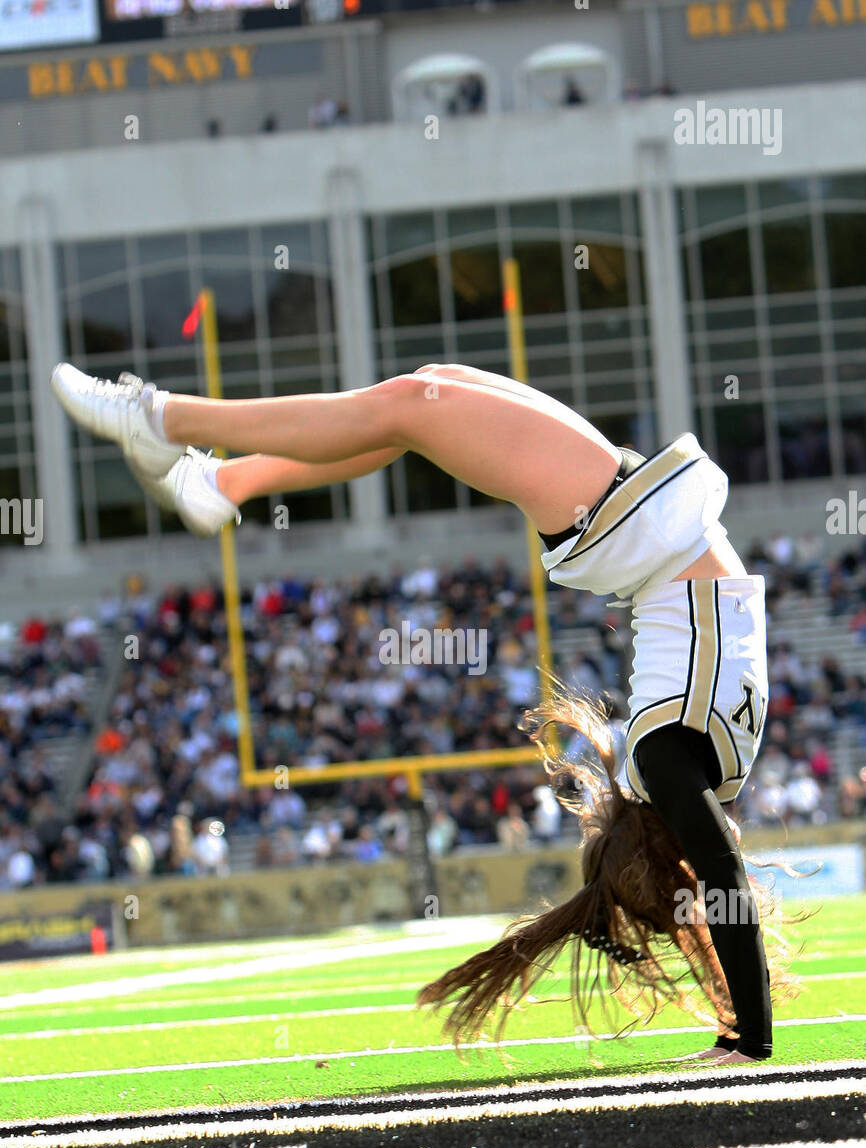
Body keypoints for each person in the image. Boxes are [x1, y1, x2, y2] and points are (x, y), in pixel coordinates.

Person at [51, 360, 774, 1064]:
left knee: (409, 404)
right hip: (634, 521)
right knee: (419, 396)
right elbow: (720, 871)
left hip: (623, 522)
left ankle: (162, 417)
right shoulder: (690, 766)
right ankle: (223, 480)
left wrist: (748, 1034)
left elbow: (721, 871)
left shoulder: (674, 759)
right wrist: (743, 1025)